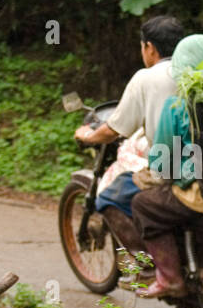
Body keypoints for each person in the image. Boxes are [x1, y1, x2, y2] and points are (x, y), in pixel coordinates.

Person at [132, 33, 203, 298]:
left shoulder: (179, 106)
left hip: (201, 193)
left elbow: (164, 162)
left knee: (143, 204)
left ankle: (170, 279)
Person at [74, 14, 184, 218]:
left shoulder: (145, 78)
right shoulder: (199, 72)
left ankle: (136, 251)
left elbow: (112, 131)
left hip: (171, 170)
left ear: (149, 47)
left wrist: (87, 136)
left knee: (109, 199)